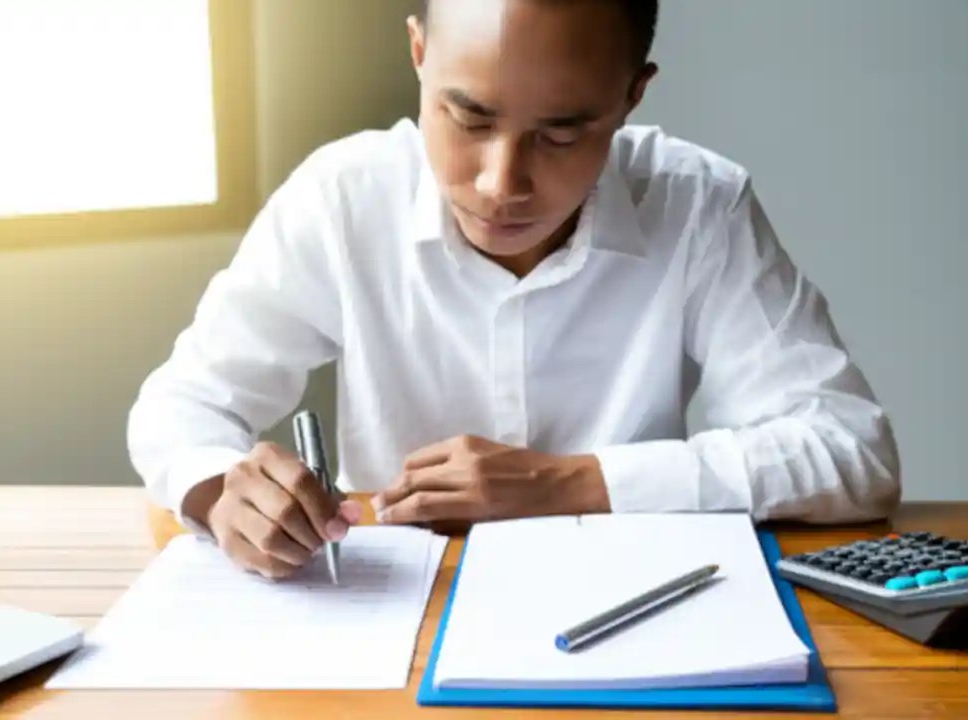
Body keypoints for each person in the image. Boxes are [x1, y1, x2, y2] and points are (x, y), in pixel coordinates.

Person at [127, 0, 901, 579]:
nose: (502, 186)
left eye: (562, 134)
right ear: (419, 53)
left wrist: (571, 482)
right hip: (390, 612)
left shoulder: (699, 205)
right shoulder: (342, 198)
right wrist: (218, 488)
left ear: (633, 96)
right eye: (467, 119)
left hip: (636, 597)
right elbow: (179, 407)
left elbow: (851, 452)